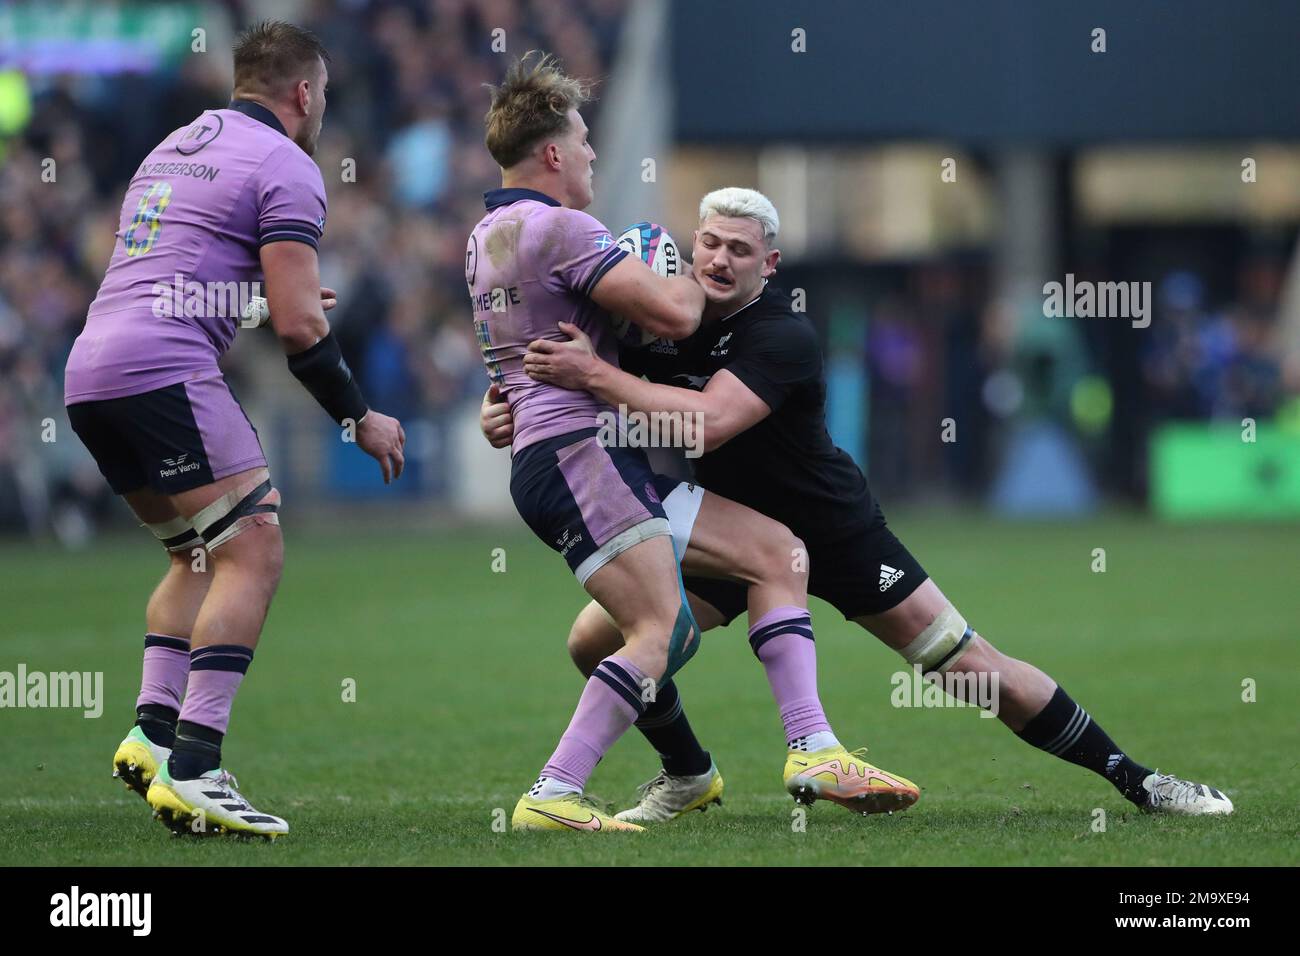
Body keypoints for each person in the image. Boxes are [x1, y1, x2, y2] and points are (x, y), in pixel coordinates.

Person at [491, 186, 1234, 822]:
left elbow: (707, 420)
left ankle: (1140, 781)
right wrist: (510, 413)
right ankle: (690, 773)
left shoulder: (781, 335)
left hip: (833, 530)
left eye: (739, 251)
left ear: (769, 264)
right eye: (709, 244)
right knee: (594, 643)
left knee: (972, 670)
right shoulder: (658, 327)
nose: (719, 260)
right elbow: (565, 386)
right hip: (728, 533)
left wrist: (597, 377)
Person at [472, 56, 917, 833]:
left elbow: (522, 358)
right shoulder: (564, 225)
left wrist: (503, 408)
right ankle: (555, 791)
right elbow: (677, 317)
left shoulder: (485, 235)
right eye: (581, 141)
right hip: (585, 458)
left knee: (775, 552)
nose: (590, 156)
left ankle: (725, 765)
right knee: (663, 629)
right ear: (551, 153)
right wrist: (666, 261)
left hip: (560, 455)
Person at [64, 21, 406, 839]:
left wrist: (253, 301)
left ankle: (152, 735)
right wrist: (360, 416)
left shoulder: (173, 147)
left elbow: (177, 278)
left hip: (90, 371)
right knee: (253, 543)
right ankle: (197, 768)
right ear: (302, 93)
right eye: (321, 95)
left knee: (195, 551)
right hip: (162, 368)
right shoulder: (288, 163)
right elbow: (298, 328)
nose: (321, 108)